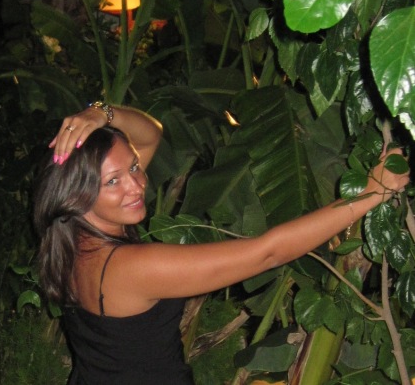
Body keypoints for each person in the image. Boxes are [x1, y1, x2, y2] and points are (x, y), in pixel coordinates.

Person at [33, 103, 410, 385]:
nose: (136, 185)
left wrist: (103, 113)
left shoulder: (70, 236)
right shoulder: (132, 268)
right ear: (77, 193)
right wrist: (372, 192)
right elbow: (268, 252)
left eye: (133, 167)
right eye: (113, 181)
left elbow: (150, 135)